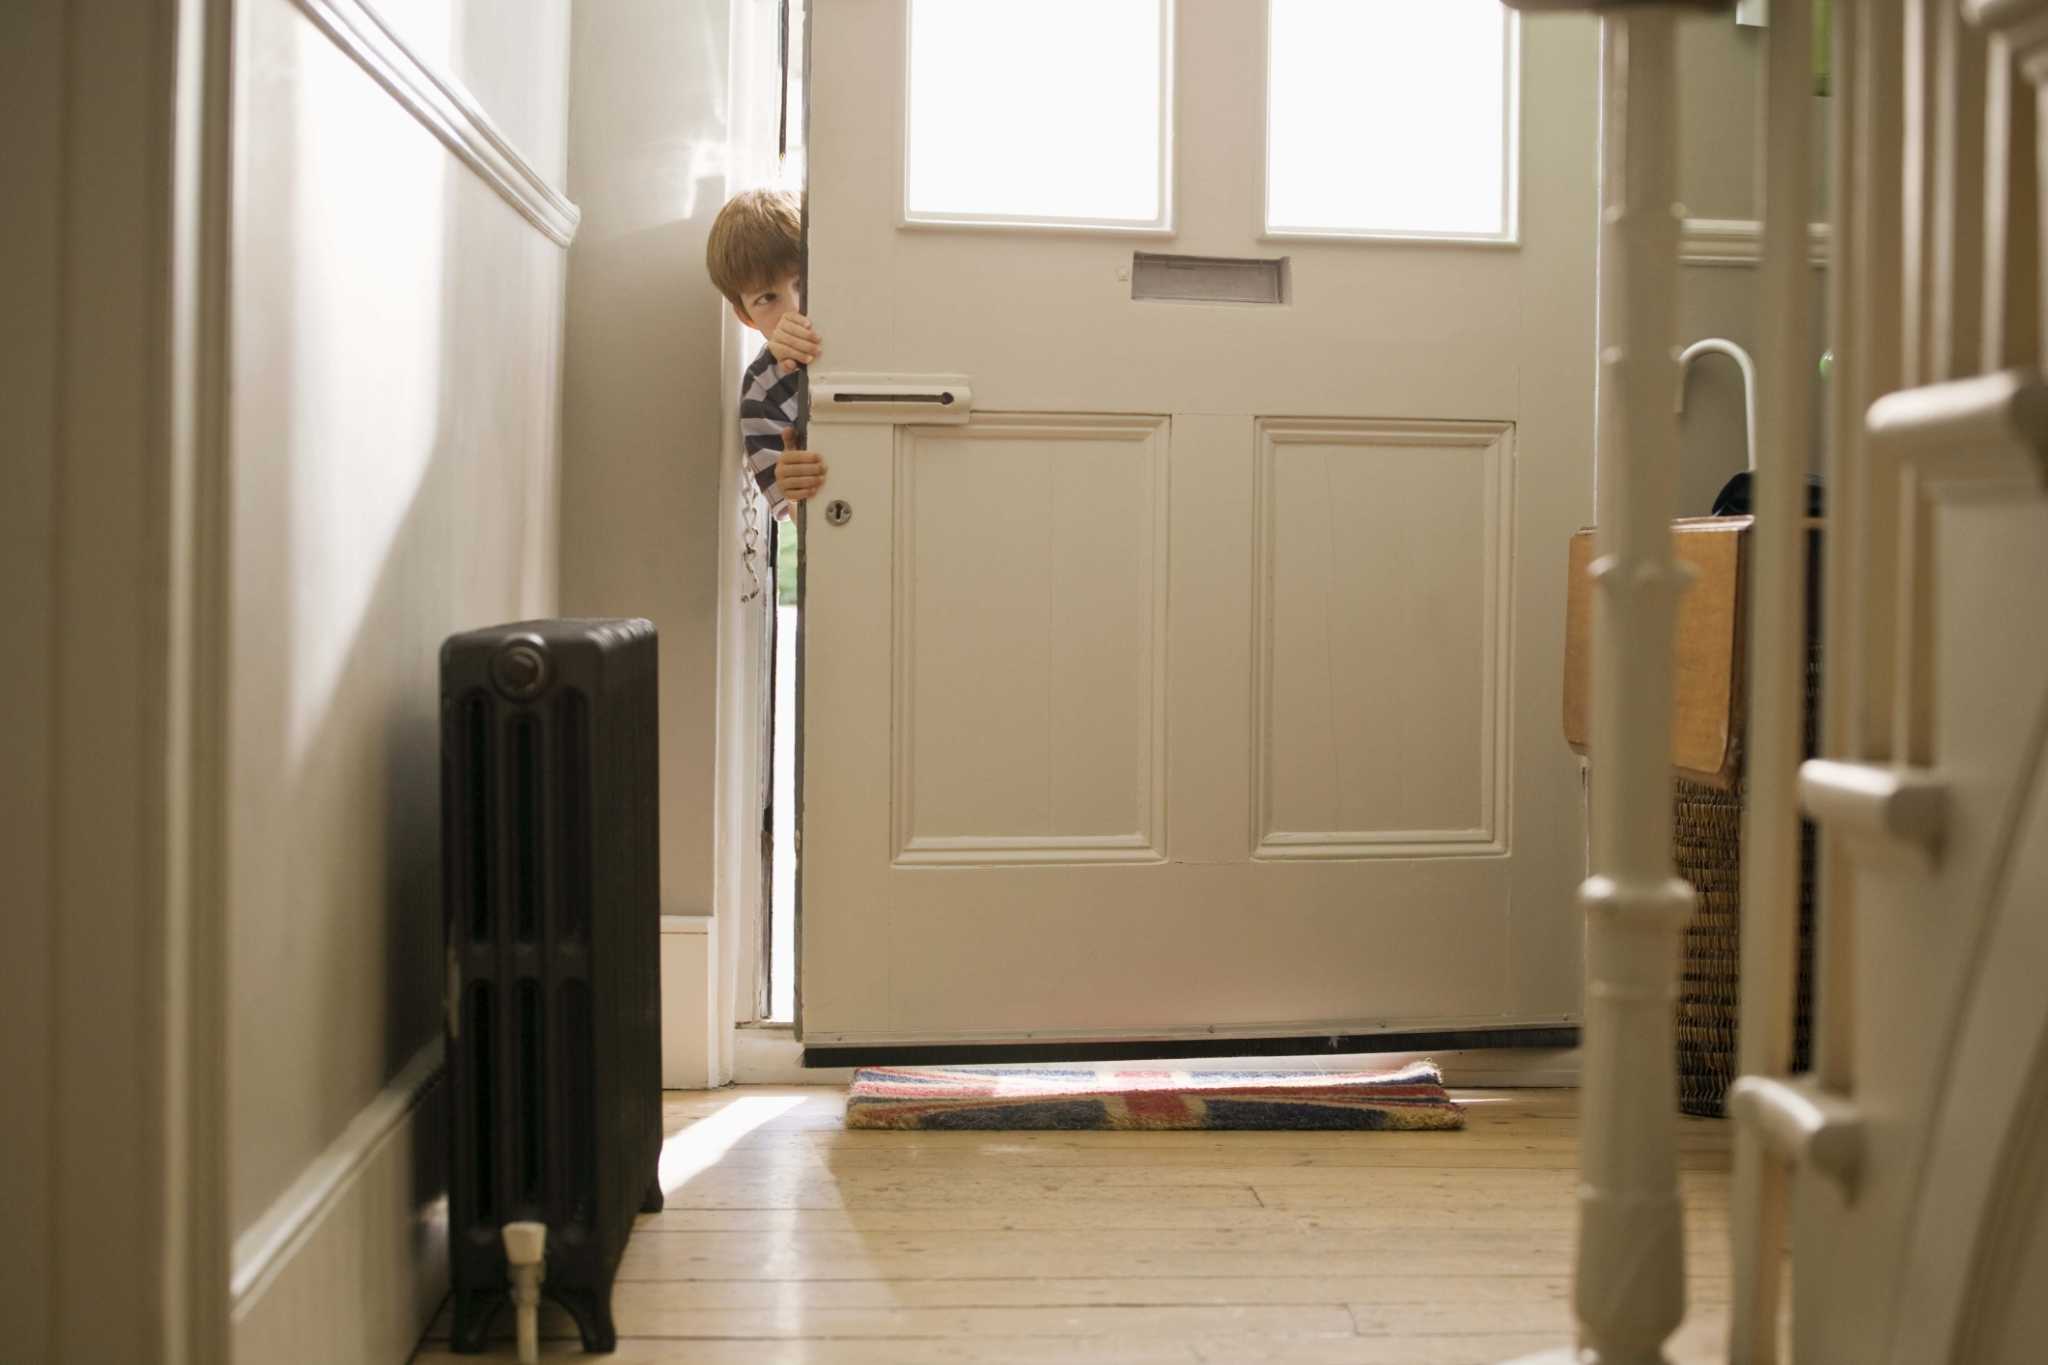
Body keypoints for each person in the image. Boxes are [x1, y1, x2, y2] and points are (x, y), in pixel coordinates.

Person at [704, 188, 828, 519]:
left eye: (803, 282)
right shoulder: (761, 392)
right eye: (767, 298)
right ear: (746, 316)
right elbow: (799, 519)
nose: (795, 308)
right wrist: (794, 489)